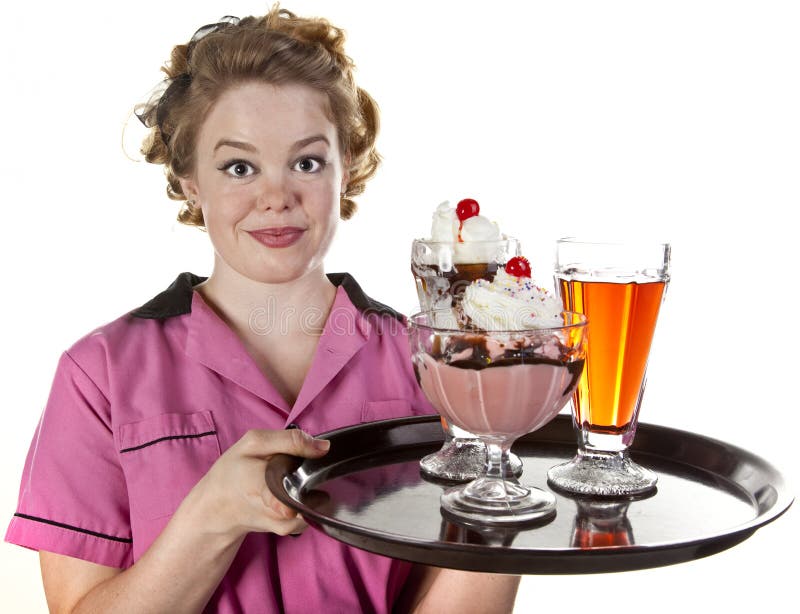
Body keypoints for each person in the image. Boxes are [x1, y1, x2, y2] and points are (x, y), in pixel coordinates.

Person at [5, 7, 520, 613]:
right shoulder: (101, 375)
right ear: (192, 181)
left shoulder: (434, 368)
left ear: (344, 168)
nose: (276, 197)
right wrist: (211, 516)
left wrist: (501, 455)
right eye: (238, 167)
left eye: (306, 162)